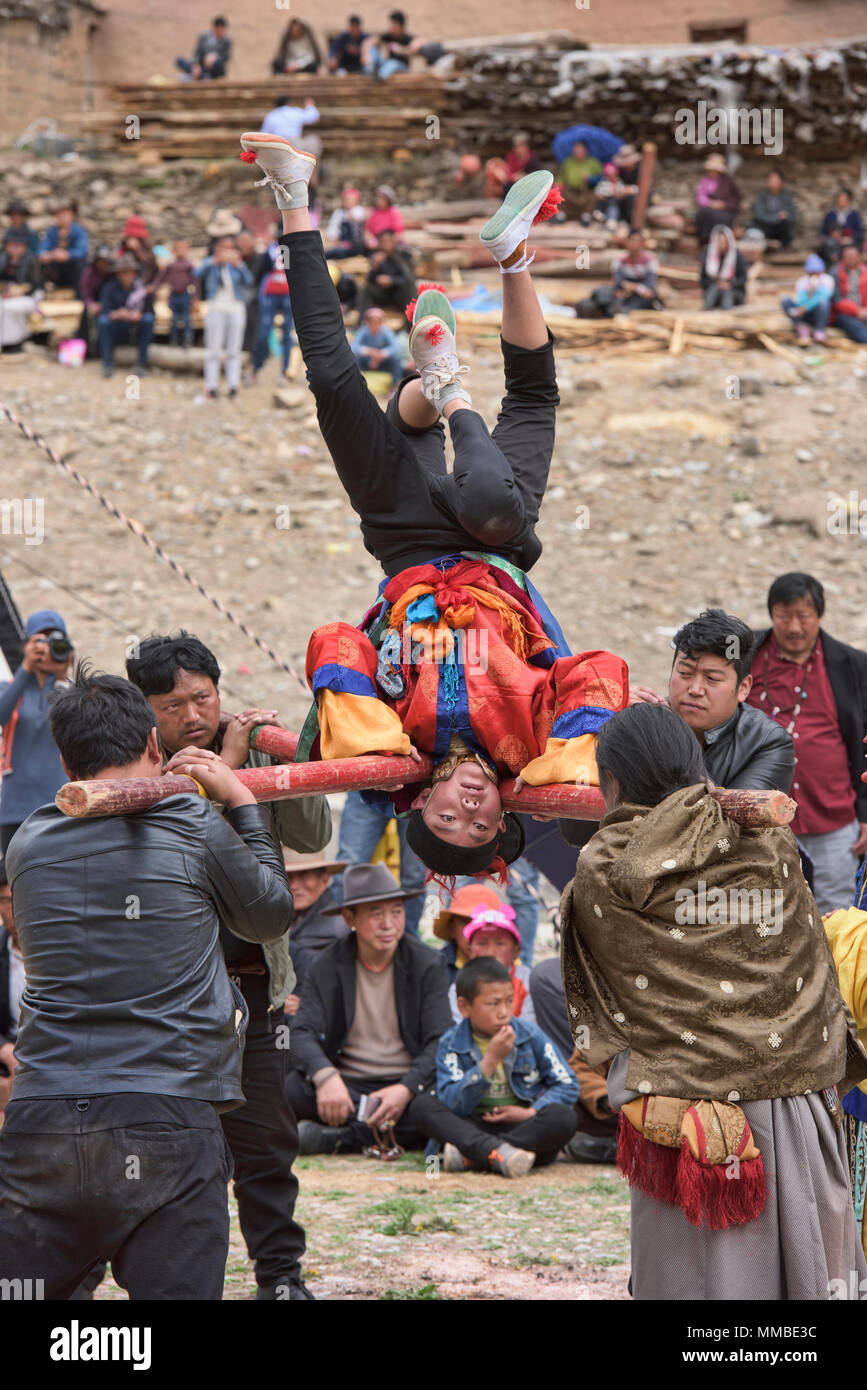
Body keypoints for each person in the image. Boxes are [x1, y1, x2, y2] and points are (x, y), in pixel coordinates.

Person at [238, 132, 628, 878]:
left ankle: (293, 196)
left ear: (417, 804)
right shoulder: (533, 747)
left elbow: (335, 642)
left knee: (331, 381)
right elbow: (595, 668)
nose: (472, 807)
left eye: (449, 817)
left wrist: (374, 747)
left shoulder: (390, 742)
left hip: (405, 542)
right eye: (483, 823)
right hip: (498, 548)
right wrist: (572, 761)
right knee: (513, 447)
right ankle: (501, 279)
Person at [0, 668, 292, 1300]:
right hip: (167, 1114)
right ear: (155, 748)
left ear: (63, 760)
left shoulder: (27, 841)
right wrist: (238, 799)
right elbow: (268, 914)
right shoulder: (190, 819)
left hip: (40, 1119)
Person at [561, 701, 867, 1300]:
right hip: (794, 1101)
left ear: (614, 783)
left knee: (700, 1284)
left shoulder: (607, 864)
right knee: (803, 1280)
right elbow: (804, 965)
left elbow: (604, 982)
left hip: (684, 1121)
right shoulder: (770, 842)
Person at [126, 631, 331, 1300]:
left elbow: (311, 835)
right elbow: (184, 851)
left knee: (266, 1148)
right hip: (174, 1001)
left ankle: (279, 1277)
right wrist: (228, 776)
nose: (192, 716)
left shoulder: (245, 744)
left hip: (254, 990)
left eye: (202, 697)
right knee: (179, 1150)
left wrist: (279, 764)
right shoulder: (132, 772)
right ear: (144, 711)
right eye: (171, 705)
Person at [286, 862, 451, 1154]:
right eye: (376, 914)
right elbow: (301, 1032)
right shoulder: (326, 965)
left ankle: (342, 1138)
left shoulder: (427, 964)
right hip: (347, 1084)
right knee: (290, 1091)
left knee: (437, 1102)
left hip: (405, 1084)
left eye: (396, 912)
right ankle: (390, 1130)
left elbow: (440, 1038)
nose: (389, 924)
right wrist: (326, 1077)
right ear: (350, 917)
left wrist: (406, 1089)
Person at [746, 573, 867, 914]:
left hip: (833, 821)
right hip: (759, 824)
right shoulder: (745, 653)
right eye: (784, 616)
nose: (794, 627)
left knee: (836, 917)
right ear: (772, 615)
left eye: (804, 615)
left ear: (819, 616)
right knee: (767, 916)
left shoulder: (851, 664)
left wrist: (866, 813)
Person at [410, 957, 578, 1176]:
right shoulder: (450, 1043)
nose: (504, 1012)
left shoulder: (529, 1034)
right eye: (493, 1003)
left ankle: (477, 1155)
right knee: (422, 1107)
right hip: (471, 1126)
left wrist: (529, 1112)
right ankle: (501, 1153)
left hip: (521, 1127)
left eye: (510, 1001)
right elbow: (453, 1104)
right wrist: (489, 1061)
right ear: (464, 1007)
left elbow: (567, 1084)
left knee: (564, 1117)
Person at [629, 609, 794, 793]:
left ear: (743, 688)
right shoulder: (642, 719)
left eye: (712, 678)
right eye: (685, 674)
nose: (695, 689)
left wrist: (672, 737)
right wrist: (612, 716)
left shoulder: (767, 742)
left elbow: (733, 817)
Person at [0, 611, 73, 856]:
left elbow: (71, 719)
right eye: (39, 641)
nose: (46, 648)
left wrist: (62, 676)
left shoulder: (68, 692)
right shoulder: (10, 688)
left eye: (54, 641)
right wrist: (25, 668)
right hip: (14, 809)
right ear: (27, 645)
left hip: (60, 803)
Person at [332, 789, 426, 934]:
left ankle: (407, 944)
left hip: (415, 788)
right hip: (368, 781)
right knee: (347, 870)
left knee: (414, 876)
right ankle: (341, 938)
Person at [282, 848, 349, 1012]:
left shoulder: (335, 930)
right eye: (288, 877)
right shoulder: (287, 917)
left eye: (305, 875)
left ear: (325, 879)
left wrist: (304, 1004)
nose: (295, 885)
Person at [457, 904, 535, 1025]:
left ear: (516, 951)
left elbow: (529, 1031)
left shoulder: (528, 982)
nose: (491, 953)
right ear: (469, 951)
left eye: (500, 943)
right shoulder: (459, 986)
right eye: (482, 943)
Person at [196, 236, 253, 399]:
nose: (227, 252)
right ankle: (211, 386)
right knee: (213, 349)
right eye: (224, 248)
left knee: (234, 349)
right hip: (216, 306)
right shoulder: (212, 263)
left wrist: (239, 264)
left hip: (235, 307)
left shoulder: (237, 265)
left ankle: (233, 385)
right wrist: (213, 261)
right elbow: (197, 273)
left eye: (230, 248)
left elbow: (249, 280)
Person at [97, 253, 155, 379]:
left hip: (135, 329)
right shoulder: (109, 288)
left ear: (134, 273)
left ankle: (141, 364)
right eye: (123, 272)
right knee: (103, 322)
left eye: (129, 272)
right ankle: (107, 364)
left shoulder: (141, 289)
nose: (127, 275)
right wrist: (117, 314)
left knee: (148, 320)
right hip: (117, 328)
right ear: (118, 274)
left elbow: (150, 311)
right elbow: (104, 310)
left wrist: (138, 315)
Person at [432, 883, 505, 982]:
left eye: (482, 923)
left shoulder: (511, 967)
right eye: (466, 922)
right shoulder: (435, 968)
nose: (473, 931)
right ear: (452, 928)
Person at [251, 237, 294, 380]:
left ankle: (284, 371)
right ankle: (256, 367)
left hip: (287, 293)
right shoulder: (272, 248)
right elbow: (264, 270)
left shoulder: (290, 246)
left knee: (286, 334)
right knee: (264, 333)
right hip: (271, 293)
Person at [0, 862, 22, 1118]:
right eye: (6, 901)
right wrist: (5, 1049)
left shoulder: (56, 949)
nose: (14, 910)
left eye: (19, 899)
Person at [150, 237, 199, 347]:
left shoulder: (189, 265)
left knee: (186, 319)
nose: (180, 250)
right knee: (174, 319)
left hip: (185, 295)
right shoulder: (170, 265)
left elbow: (195, 282)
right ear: (174, 250)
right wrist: (154, 286)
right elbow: (161, 277)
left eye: (183, 248)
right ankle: (174, 340)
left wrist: (195, 298)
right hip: (174, 295)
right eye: (178, 248)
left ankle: (187, 340)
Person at [357, 229, 415, 314]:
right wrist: (375, 267)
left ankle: (410, 323)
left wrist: (392, 280)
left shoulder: (403, 255)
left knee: (409, 289)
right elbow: (370, 280)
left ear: (394, 242)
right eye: (383, 242)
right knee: (365, 290)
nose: (386, 245)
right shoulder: (377, 256)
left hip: (399, 294)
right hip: (383, 294)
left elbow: (409, 279)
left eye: (389, 241)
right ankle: (361, 323)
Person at [781, 252, 835, 344]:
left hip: (818, 313)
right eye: (811, 272)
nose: (814, 274)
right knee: (785, 300)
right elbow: (799, 301)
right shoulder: (802, 281)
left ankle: (820, 330)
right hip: (804, 314)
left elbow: (825, 296)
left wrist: (808, 304)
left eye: (816, 272)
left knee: (824, 303)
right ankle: (801, 326)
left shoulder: (827, 280)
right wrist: (808, 293)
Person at [38, 197, 88, 292]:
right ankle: (41, 293)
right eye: (59, 213)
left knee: (81, 264)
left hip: (72, 269)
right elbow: (42, 250)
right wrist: (50, 254)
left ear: (72, 215)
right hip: (56, 268)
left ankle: (79, 295)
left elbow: (82, 251)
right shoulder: (51, 232)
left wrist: (67, 254)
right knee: (40, 263)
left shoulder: (79, 231)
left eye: (65, 213)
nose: (62, 216)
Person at [694, 154, 741, 246]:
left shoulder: (728, 183)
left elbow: (736, 199)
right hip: (708, 210)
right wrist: (711, 203)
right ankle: (705, 243)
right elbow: (700, 197)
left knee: (717, 218)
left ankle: (719, 243)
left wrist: (724, 205)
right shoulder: (705, 181)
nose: (712, 172)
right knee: (705, 214)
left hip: (725, 212)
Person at [352, 305, 403, 384]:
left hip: (382, 362)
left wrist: (382, 354)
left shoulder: (386, 331)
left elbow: (396, 348)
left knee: (396, 360)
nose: (374, 325)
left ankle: (394, 385)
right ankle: (357, 384)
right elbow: (354, 347)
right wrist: (369, 352)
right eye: (371, 322)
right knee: (355, 359)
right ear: (367, 322)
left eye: (377, 322)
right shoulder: (363, 331)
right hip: (366, 361)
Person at [78, 245, 114, 354]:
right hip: (93, 304)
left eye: (105, 261)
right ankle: (88, 348)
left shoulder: (112, 274)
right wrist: (91, 304)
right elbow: (85, 293)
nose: (103, 264)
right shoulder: (88, 273)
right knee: (87, 316)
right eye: (101, 261)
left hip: (109, 305)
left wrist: (105, 305)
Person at [700, 223, 746, 310]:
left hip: (733, 290)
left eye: (723, 241)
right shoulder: (708, 254)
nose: (721, 244)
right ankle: (707, 311)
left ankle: (726, 314)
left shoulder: (736, 255)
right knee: (713, 291)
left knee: (727, 295)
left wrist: (729, 285)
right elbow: (703, 279)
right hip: (714, 289)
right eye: (719, 241)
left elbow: (743, 278)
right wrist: (717, 284)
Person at [596, 144, 643, 229]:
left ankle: (631, 222)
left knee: (631, 199)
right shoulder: (620, 171)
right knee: (611, 201)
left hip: (634, 200)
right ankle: (612, 220)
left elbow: (644, 189)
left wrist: (629, 190)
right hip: (617, 199)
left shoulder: (640, 171)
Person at [556, 139, 602, 220]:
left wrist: (590, 178)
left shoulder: (593, 162)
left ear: (586, 150)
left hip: (586, 191)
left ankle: (586, 216)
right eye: (576, 150)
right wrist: (559, 184)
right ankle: (562, 215)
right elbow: (561, 177)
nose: (578, 152)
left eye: (580, 150)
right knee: (561, 195)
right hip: (571, 191)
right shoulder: (569, 162)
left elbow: (601, 177)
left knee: (593, 196)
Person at [749, 169, 797, 248]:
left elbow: (793, 216)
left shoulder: (786, 197)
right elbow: (760, 215)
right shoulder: (762, 196)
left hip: (780, 230)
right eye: (770, 180)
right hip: (765, 228)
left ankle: (785, 249)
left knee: (786, 226)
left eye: (775, 180)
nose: (772, 182)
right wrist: (778, 217)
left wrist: (786, 216)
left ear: (781, 182)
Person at [831, 243, 867, 344]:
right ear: (842, 258)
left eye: (854, 256)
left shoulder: (865, 272)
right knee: (859, 331)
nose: (851, 259)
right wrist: (857, 311)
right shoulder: (835, 273)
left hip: (864, 311)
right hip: (843, 313)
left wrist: (865, 310)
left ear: (860, 257)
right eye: (848, 256)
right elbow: (836, 299)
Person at [819, 187, 864, 267]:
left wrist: (849, 239)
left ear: (848, 201)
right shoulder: (831, 214)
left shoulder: (854, 215)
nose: (841, 201)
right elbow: (822, 232)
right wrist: (832, 239)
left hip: (850, 243)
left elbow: (860, 233)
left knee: (851, 251)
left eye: (844, 200)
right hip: (833, 244)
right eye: (840, 199)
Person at [177, 15, 231, 80]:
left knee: (217, 63)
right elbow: (197, 53)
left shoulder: (226, 41)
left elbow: (226, 56)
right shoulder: (204, 37)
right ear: (214, 28)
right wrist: (195, 65)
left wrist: (215, 57)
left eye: (222, 29)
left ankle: (196, 76)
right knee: (180, 60)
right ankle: (198, 74)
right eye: (218, 29)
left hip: (215, 69)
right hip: (201, 65)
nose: (220, 31)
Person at [324, 186, 367, 259]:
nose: (347, 202)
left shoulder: (361, 211)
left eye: (350, 199)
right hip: (342, 244)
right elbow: (332, 232)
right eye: (346, 199)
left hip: (357, 245)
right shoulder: (338, 213)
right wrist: (337, 243)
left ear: (356, 201)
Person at [115, 215, 157, 281]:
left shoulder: (146, 243)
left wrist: (137, 249)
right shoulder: (123, 242)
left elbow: (151, 262)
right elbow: (117, 258)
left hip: (144, 277)